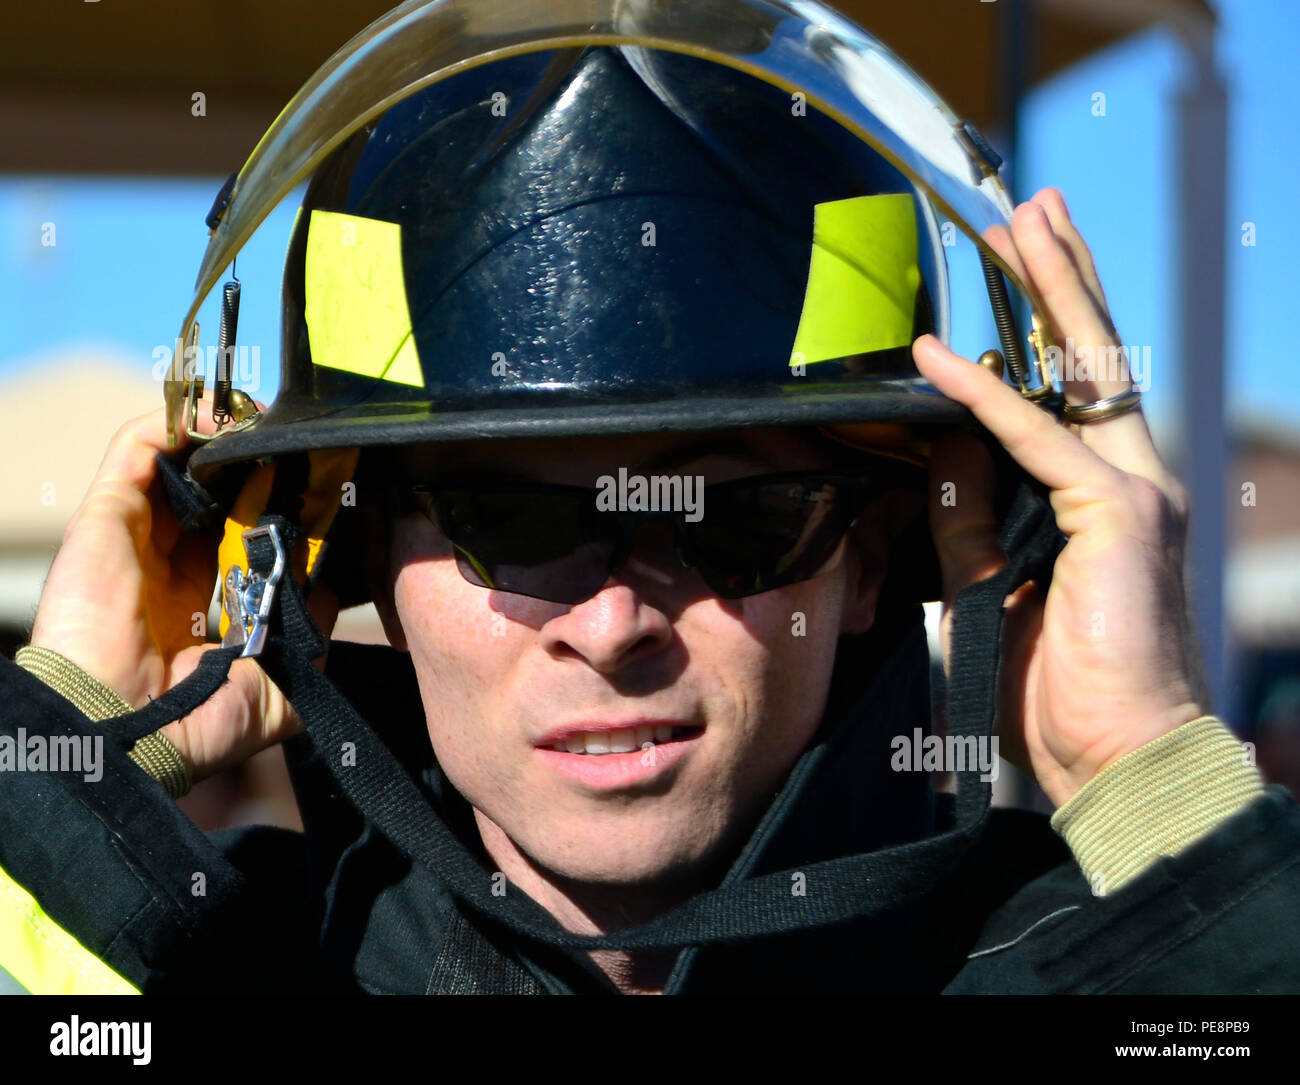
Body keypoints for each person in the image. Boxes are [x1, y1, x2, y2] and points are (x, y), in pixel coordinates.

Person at [1, 0, 1297, 996]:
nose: (614, 623)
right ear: (345, 569)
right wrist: (59, 770)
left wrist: (1149, 779)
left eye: (737, 522)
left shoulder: (1105, 968)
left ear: (876, 557)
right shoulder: (177, 960)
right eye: (505, 522)